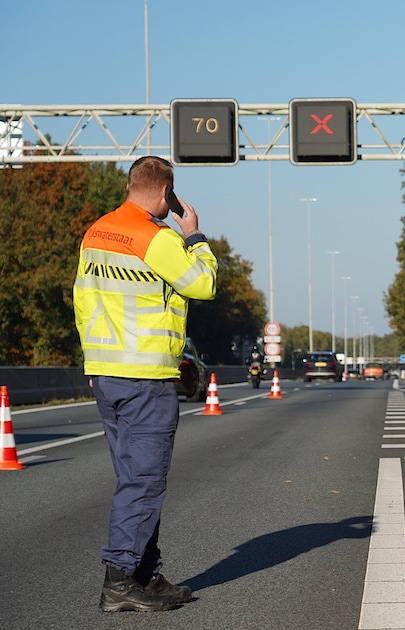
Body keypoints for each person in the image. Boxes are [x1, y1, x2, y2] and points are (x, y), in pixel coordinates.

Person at [73, 155, 218, 612]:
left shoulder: (96, 231)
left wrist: (92, 364)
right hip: (145, 377)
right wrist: (193, 234)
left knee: (133, 478)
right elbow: (204, 285)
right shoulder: (155, 238)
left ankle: (143, 574)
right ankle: (119, 581)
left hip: (108, 374)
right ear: (164, 195)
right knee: (144, 482)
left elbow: (82, 299)